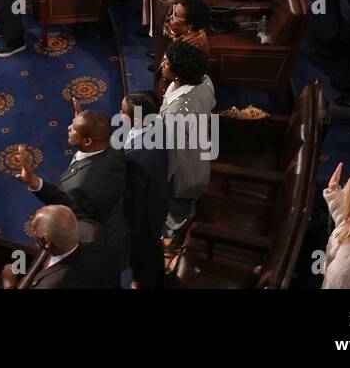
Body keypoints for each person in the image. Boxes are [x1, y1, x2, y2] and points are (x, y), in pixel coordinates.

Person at [11, 105, 129, 283]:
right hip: (117, 232)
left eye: (73, 128)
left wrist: (33, 180)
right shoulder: (111, 146)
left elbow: (69, 216)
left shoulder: (79, 185)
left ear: (88, 141)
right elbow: (96, 134)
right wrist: (82, 125)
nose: (68, 128)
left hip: (99, 247)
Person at [158, 40, 215, 237]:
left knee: (176, 217)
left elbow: (171, 156)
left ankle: (175, 236)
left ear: (178, 71)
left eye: (166, 62)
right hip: (200, 152)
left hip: (185, 170)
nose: (161, 64)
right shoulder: (205, 81)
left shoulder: (176, 113)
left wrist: (159, 183)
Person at [121, 90, 168, 289]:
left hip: (141, 220)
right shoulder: (156, 125)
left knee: (142, 257)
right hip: (156, 204)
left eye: (123, 111)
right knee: (152, 251)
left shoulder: (137, 159)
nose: (119, 113)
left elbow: (132, 197)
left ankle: (144, 282)